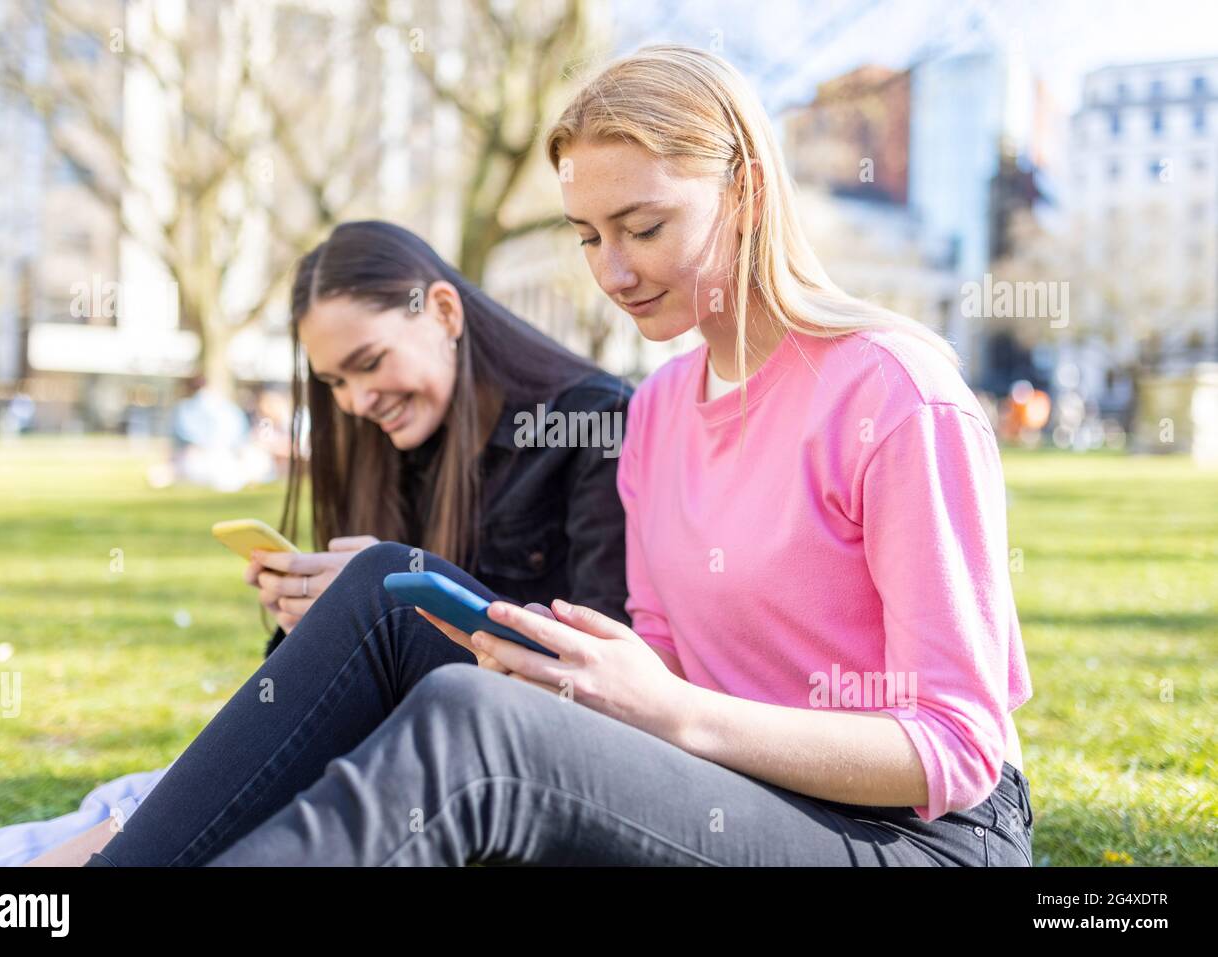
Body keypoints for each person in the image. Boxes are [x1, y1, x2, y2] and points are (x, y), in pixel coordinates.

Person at [84, 45, 1033, 868]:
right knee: (385, 584)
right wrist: (577, 671)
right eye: (589, 236)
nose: (614, 271)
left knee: (480, 727)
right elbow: (655, 661)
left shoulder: (897, 395)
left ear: (743, 192)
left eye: (645, 227)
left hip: (918, 837)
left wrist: (672, 713)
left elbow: (953, 748)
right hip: (737, 789)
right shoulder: (659, 411)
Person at [0, 220, 629, 868]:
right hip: (370, 747)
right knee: (110, 818)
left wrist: (392, 591)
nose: (354, 401)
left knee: (125, 829)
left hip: (504, 761)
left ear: (443, 312)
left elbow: (603, 663)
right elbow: (301, 699)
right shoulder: (392, 448)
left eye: (369, 362)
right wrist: (312, 621)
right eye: (334, 382)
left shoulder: (589, 424)